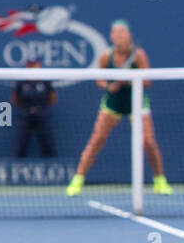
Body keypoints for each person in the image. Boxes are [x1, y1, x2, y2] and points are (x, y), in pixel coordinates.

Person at [66, 21, 171, 197]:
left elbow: (147, 81)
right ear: (111, 37)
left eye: (123, 33)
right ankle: (77, 180)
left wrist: (129, 80)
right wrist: (109, 86)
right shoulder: (106, 56)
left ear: (129, 35)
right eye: (116, 33)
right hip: (113, 103)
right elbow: (99, 79)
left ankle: (160, 181)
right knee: (97, 140)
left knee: (148, 142)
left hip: (136, 103)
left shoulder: (138, 55)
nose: (120, 36)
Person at [12, 61, 56, 158]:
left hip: (42, 115)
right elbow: (15, 99)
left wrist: (41, 109)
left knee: (47, 143)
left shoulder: (45, 81)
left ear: (39, 65)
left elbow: (52, 98)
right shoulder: (22, 82)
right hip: (26, 115)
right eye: (30, 65)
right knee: (21, 143)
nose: (33, 67)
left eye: (35, 65)